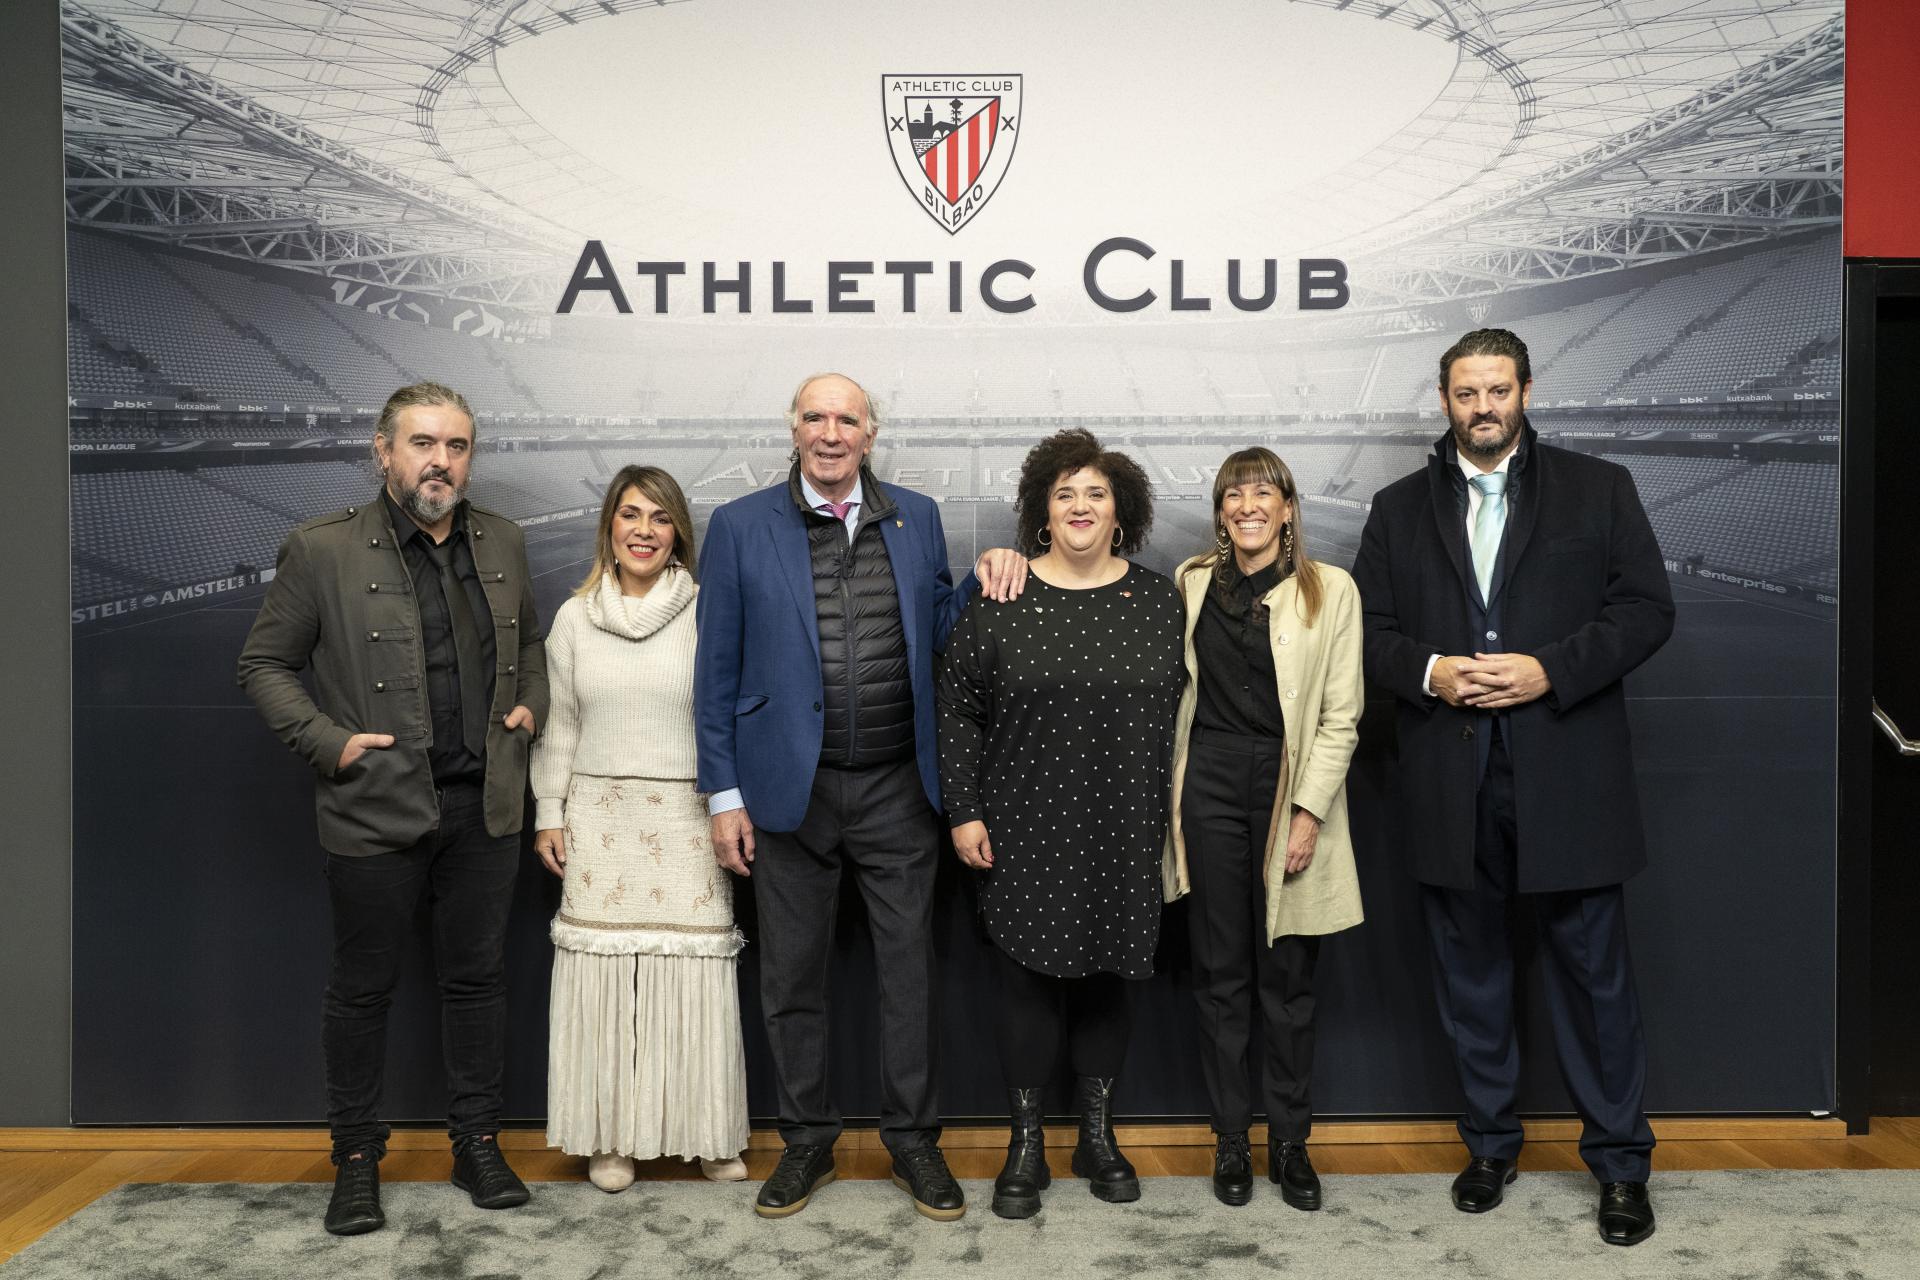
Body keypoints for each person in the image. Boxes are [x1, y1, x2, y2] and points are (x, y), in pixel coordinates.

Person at [1352, 328, 1674, 1247]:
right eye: (1465, 393)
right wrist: (1429, 672)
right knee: (1473, 980)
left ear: (1526, 391)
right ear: (1444, 400)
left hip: (1567, 774)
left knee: (1594, 983)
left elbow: (1647, 609)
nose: (1482, 407)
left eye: (1498, 389)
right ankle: (1490, 1146)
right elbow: (1367, 633)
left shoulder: (1598, 488)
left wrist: (1551, 671)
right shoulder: (1397, 507)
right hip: (1450, 782)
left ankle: (1619, 1164)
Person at [694, 372, 1026, 1221]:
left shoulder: (917, 516)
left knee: (909, 975)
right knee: (792, 979)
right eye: (815, 417)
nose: (831, 432)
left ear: (871, 434)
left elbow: (941, 629)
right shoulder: (737, 526)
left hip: (897, 790)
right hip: (785, 792)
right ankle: (806, 1142)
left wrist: (989, 571)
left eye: (847, 419)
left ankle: (913, 1142)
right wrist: (724, 794)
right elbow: (716, 672)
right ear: (794, 428)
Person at [236, 382, 547, 1236]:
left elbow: (527, 648)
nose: (439, 460)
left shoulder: (506, 542)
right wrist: (327, 741)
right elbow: (263, 665)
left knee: (477, 981)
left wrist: (532, 709)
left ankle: (476, 1144)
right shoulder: (322, 549)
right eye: (421, 443)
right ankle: (356, 1159)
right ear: (383, 451)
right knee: (363, 989)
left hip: (485, 808)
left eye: (455, 446)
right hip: (372, 809)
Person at [939, 428, 1186, 1219]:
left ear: (1123, 514)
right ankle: (1026, 1144)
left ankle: (1097, 1137)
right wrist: (964, 811)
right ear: (1043, 511)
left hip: (1126, 822)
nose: (1082, 506)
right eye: (1066, 493)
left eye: (1098, 494)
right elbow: (957, 713)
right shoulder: (1000, 598)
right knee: (1025, 987)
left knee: (1111, 982)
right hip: (1022, 824)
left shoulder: (1158, 601)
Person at [530, 466, 748, 1192]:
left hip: (688, 818)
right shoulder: (574, 617)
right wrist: (549, 814)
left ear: (678, 530)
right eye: (630, 515)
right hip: (597, 818)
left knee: (690, 976)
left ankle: (706, 1134)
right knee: (604, 983)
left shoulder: (710, 609)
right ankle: (610, 1137)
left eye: (659, 517)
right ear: (610, 527)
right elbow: (560, 726)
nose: (644, 530)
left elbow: (727, 715)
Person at [1164, 447, 1364, 1210]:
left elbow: (1342, 716)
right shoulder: (1190, 584)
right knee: (1220, 976)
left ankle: (1290, 1143)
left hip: (1287, 781)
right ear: (1221, 511)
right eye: (1233, 494)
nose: (1247, 504)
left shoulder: (1329, 590)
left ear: (1287, 508)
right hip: (1209, 779)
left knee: (1288, 981)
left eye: (1263, 492)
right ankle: (1230, 1143)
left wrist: (1308, 811)